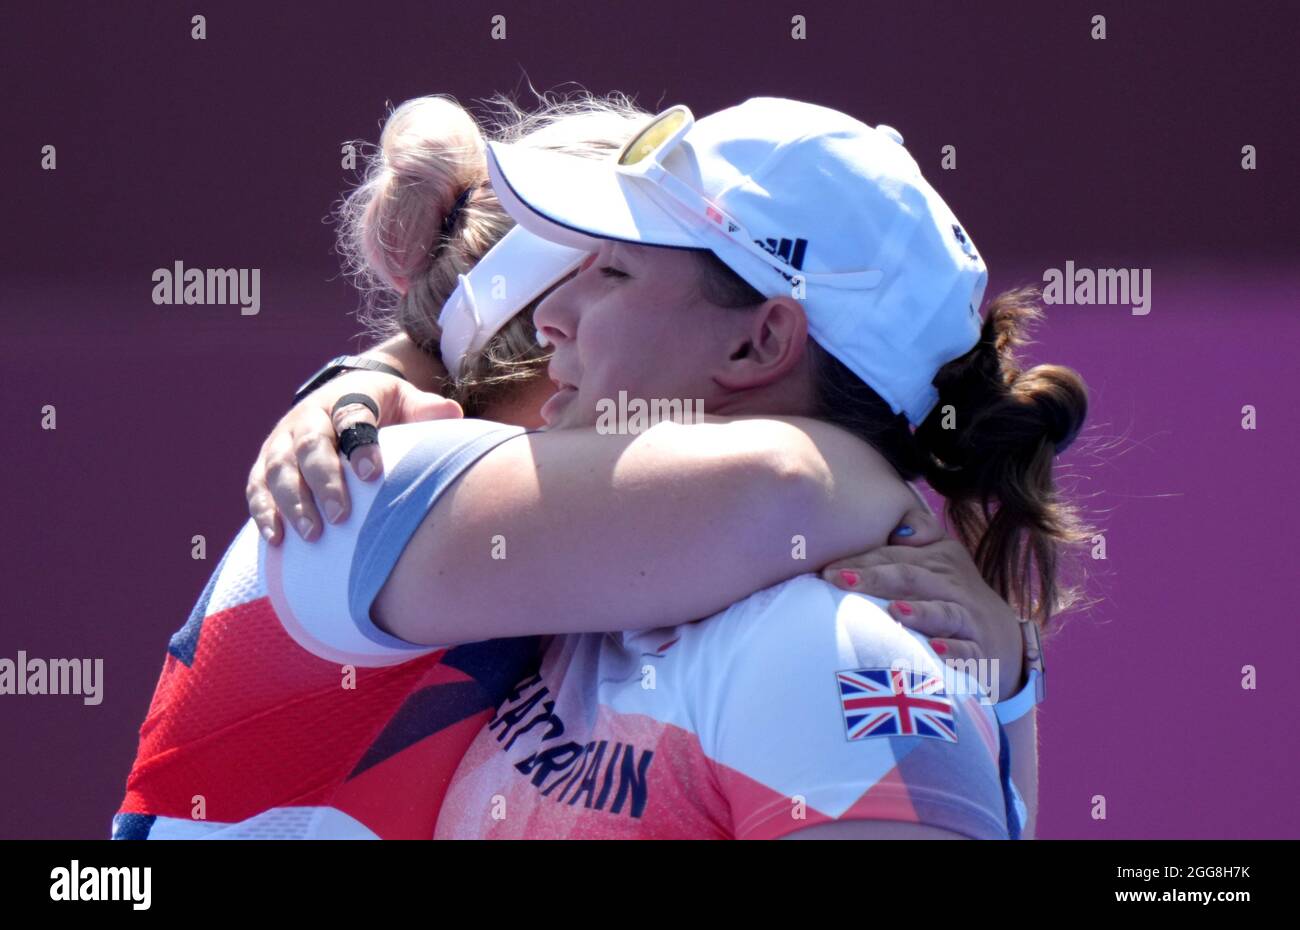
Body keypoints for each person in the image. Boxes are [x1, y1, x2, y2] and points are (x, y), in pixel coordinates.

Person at [115, 93, 1036, 840]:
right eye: (579, 274)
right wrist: (906, 515)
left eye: (618, 273)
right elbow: (781, 485)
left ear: (761, 342)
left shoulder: (830, 647)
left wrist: (1003, 675)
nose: (565, 330)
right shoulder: (363, 478)